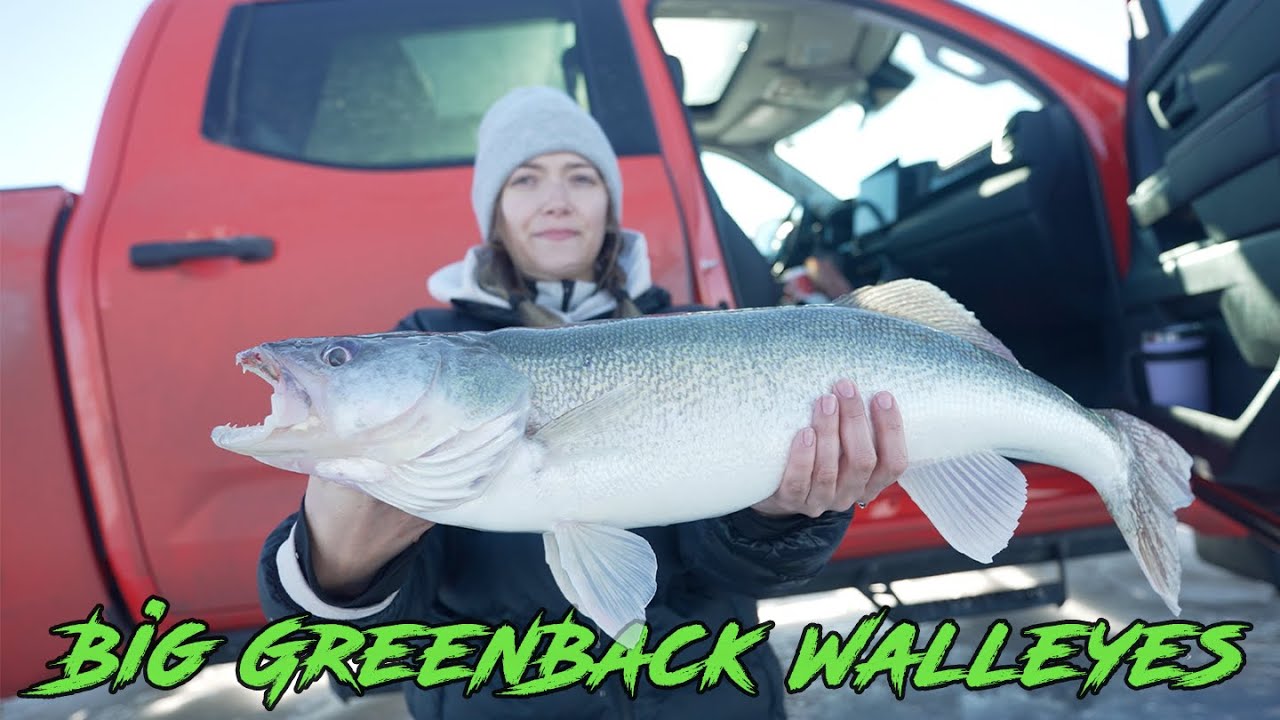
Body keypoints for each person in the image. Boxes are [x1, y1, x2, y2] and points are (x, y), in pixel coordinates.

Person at [257, 86, 908, 719]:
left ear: (609, 203)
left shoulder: (694, 328)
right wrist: (335, 571)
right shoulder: (423, 350)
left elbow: (737, 571)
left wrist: (781, 518)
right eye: (526, 180)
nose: (557, 200)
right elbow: (364, 639)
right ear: (494, 211)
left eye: (581, 177)